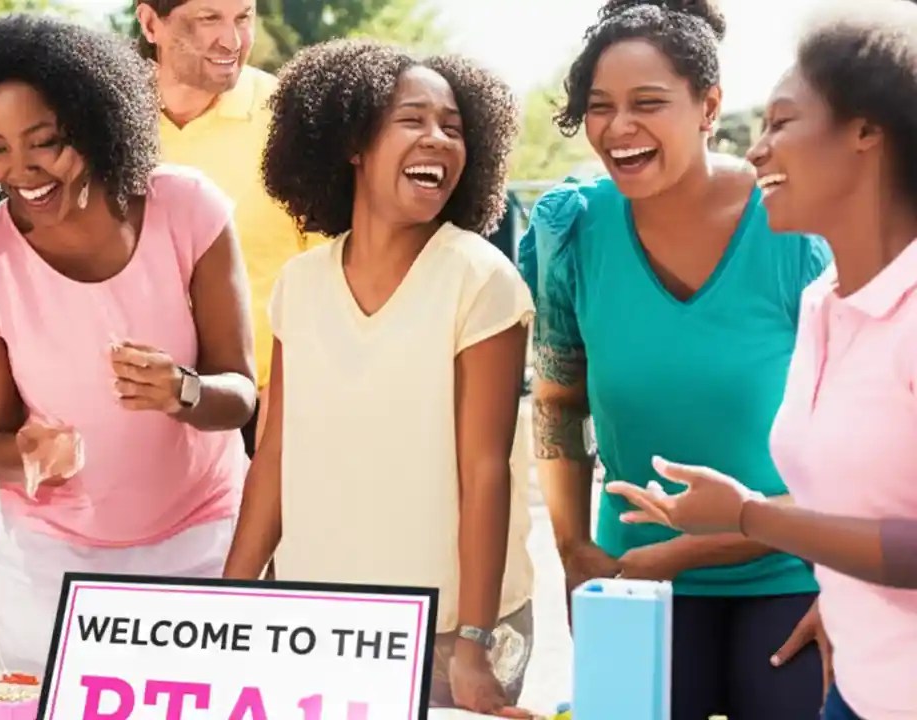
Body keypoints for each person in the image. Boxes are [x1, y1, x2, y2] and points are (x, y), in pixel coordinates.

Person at [519, 0, 832, 716]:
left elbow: (858, 451)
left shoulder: (797, 227)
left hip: (792, 567)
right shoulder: (573, 231)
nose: (617, 127)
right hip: (630, 575)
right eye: (600, 106)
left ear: (708, 106)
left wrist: (848, 589)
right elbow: (560, 402)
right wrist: (573, 551)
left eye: (648, 103)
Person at [606, 3, 917, 718]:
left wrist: (749, 516)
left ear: (867, 130)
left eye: (781, 123)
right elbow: (855, 501)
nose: (755, 151)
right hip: (857, 694)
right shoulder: (821, 303)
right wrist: (841, 595)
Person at [0, 14, 255, 674]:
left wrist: (184, 391)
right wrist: (29, 456)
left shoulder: (187, 208)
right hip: (52, 564)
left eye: (44, 142)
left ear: (94, 121)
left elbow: (240, 394)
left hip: (200, 541)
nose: (20, 170)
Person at [223, 39, 535, 717]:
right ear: (352, 144)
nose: (438, 139)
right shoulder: (300, 284)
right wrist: (230, 604)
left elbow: (487, 471)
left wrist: (473, 646)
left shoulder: (480, 278)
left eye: (453, 127)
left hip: (449, 636)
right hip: (319, 627)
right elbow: (275, 457)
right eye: (412, 120)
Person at [135, 0, 316, 455]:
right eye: (208, 18)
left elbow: (329, 283)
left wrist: (276, 427)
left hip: (269, 413)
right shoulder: (104, 120)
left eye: (243, 17)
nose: (232, 41)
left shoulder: (294, 120)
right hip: (139, 413)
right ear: (151, 23)